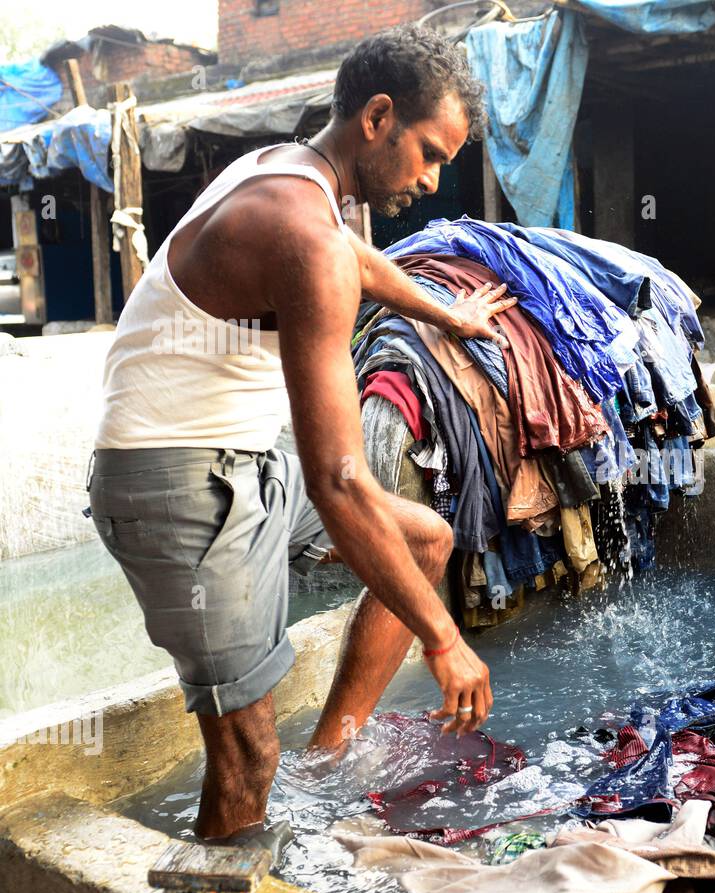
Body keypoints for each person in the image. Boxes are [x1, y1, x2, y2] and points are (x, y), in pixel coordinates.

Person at [87, 25, 509, 846]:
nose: (429, 181)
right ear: (378, 117)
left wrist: (446, 312)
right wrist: (445, 639)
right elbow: (340, 482)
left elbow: (359, 259)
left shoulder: (294, 176)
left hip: (239, 459)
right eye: (428, 154)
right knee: (248, 755)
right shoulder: (301, 231)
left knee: (426, 539)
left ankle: (330, 759)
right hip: (173, 479)